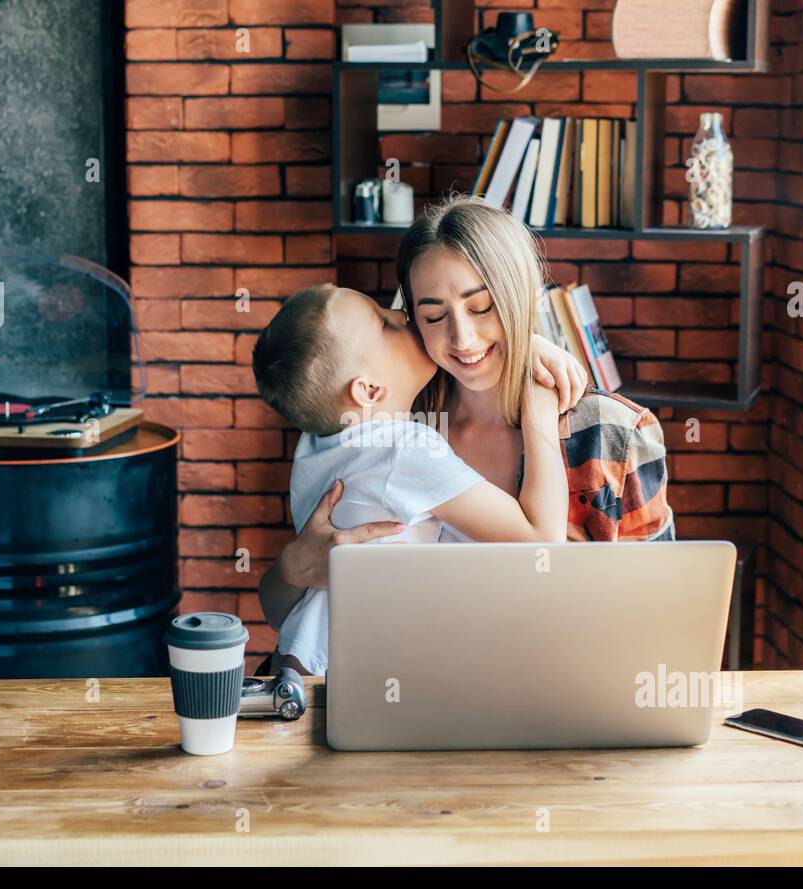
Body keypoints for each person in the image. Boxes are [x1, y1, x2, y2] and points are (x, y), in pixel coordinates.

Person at [258, 195, 674, 667]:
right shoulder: (390, 420)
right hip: (392, 691)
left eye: (483, 307)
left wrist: (531, 371)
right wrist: (293, 567)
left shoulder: (611, 434)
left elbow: (660, 625)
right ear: (413, 320)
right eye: (433, 317)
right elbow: (280, 611)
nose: (463, 340)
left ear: (519, 299)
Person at [250, 282, 568, 675]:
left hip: (307, 656)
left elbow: (284, 608)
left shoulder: (316, 444)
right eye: (386, 325)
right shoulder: (404, 448)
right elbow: (542, 538)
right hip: (364, 668)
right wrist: (541, 406)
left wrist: (526, 344)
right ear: (368, 390)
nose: (403, 316)